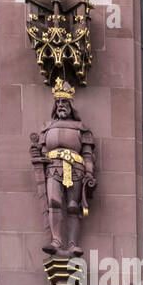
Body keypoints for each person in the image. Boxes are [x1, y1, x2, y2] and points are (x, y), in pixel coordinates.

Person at [30, 79, 96, 257]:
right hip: (53, 168)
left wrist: (89, 173)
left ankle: (73, 243)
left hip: (75, 169)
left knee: (74, 205)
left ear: (70, 105)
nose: (61, 105)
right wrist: (37, 155)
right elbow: (43, 150)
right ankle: (56, 240)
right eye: (58, 102)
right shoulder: (47, 127)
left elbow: (88, 154)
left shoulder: (81, 128)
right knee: (54, 202)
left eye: (64, 102)